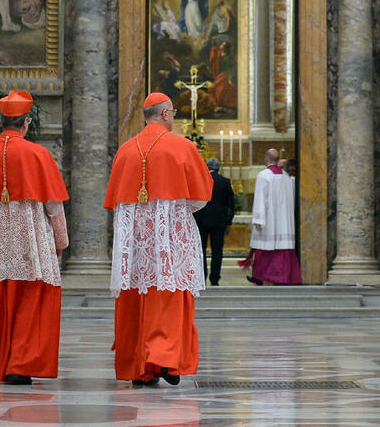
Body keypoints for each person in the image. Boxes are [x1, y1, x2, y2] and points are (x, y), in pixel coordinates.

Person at [0, 90, 69, 384]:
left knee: (3, 305)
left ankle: (7, 363)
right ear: (26, 123)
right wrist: (61, 242)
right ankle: (20, 364)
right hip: (33, 249)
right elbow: (54, 205)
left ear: (1, 122)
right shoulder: (40, 155)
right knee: (31, 305)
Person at [105, 93, 211, 386]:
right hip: (170, 236)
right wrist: (177, 211)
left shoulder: (126, 150)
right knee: (169, 293)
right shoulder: (182, 146)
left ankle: (141, 367)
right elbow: (201, 196)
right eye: (173, 113)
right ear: (165, 114)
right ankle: (165, 358)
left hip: (134, 240)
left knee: (136, 296)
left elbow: (116, 201)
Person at [240, 149, 300, 285]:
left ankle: (264, 277)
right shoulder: (285, 176)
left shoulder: (264, 175)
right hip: (283, 220)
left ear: (267, 158)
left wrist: (258, 219)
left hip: (269, 220)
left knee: (265, 247)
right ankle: (281, 277)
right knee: (281, 248)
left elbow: (260, 199)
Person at [194, 158, 235, 286]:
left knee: (201, 250)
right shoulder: (225, 182)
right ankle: (215, 278)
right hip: (219, 222)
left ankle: (202, 276)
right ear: (219, 168)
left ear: (206, 167)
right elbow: (230, 205)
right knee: (217, 251)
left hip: (201, 221)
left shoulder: (200, 180)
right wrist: (228, 222)